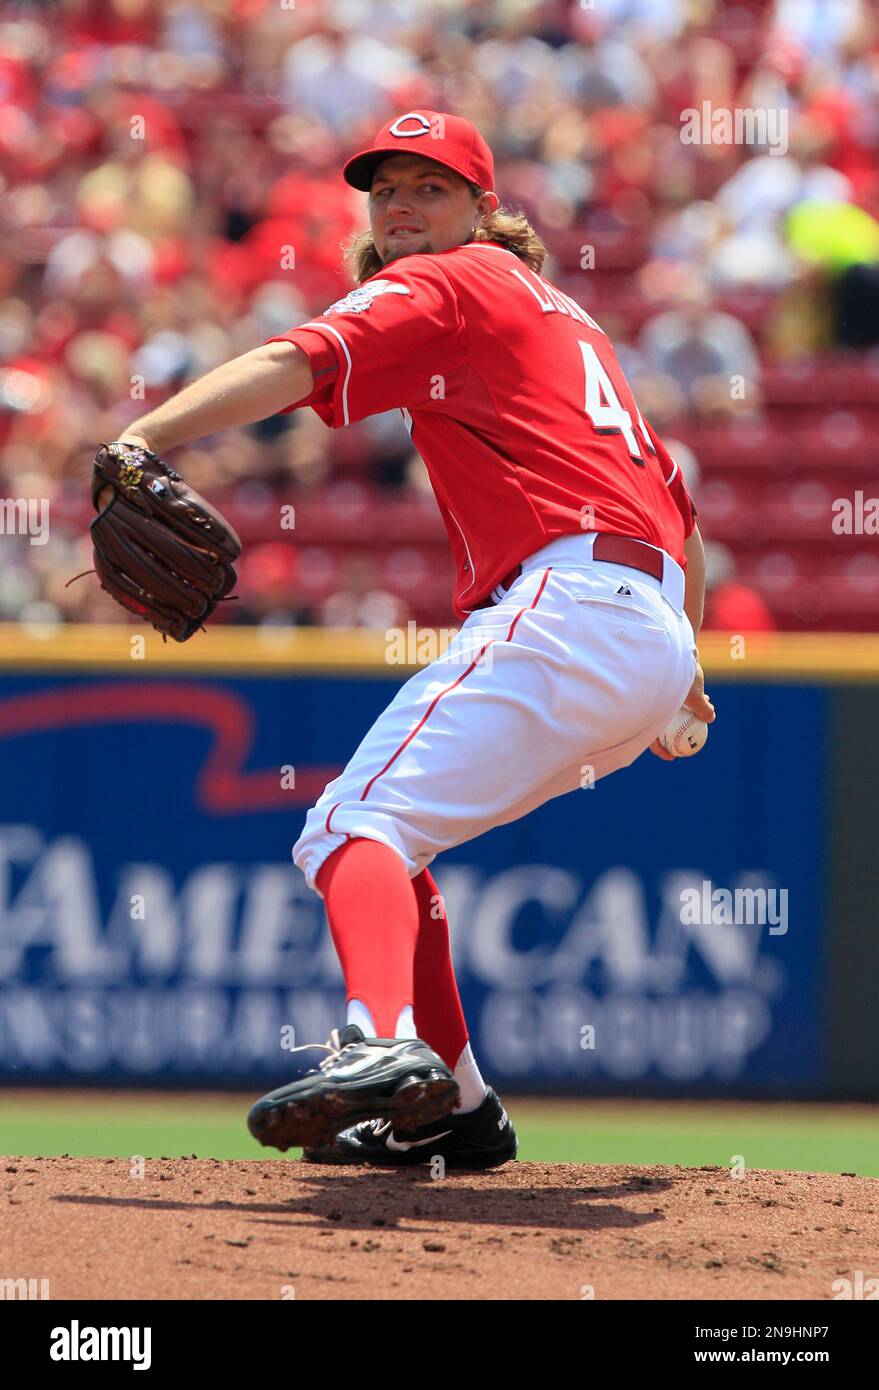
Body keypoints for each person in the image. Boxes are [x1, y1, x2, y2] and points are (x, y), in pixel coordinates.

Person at [113, 110, 715, 1169]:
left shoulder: (456, 278)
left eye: (430, 187)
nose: (401, 205)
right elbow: (681, 514)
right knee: (402, 841)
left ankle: (376, 1042)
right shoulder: (567, 322)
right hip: (643, 622)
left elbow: (296, 358)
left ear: (485, 211)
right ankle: (455, 1109)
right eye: (385, 188)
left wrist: (146, 436)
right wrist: (684, 672)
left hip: (570, 606)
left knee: (349, 825)